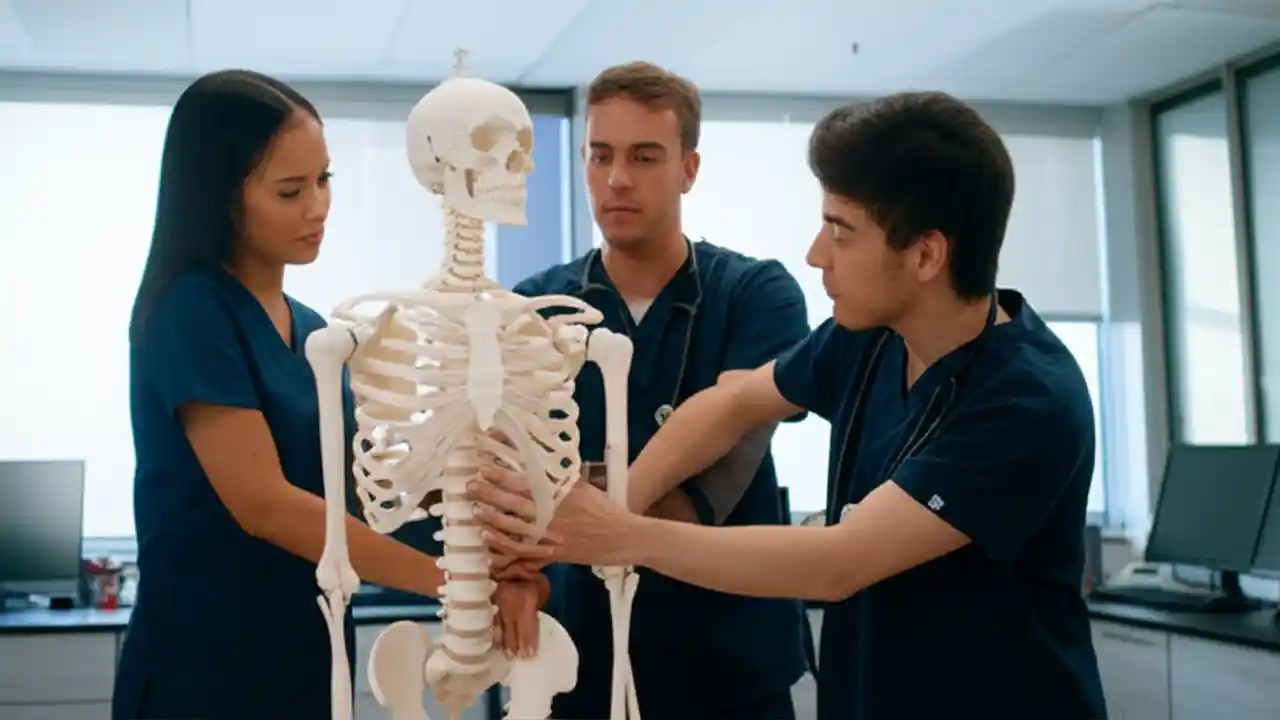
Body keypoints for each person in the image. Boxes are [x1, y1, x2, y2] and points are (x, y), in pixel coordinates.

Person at [473, 91, 1108, 719]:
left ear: (925, 254)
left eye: (841, 232)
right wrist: (622, 500)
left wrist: (622, 534)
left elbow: (838, 562)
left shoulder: (1027, 403)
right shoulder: (867, 338)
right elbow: (730, 404)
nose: (815, 254)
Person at [113, 69, 543, 720]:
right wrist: (454, 585)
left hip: (307, 654)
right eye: (290, 190)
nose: (317, 207)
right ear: (220, 197)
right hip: (206, 668)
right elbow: (266, 505)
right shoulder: (191, 314)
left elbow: (356, 491)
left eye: (324, 180)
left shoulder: (313, 330)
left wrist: (490, 542)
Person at [504, 61, 813, 719]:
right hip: (580, 656)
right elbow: (513, 470)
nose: (617, 179)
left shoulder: (755, 293)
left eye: (645, 156)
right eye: (600, 156)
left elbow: (735, 434)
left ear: (688, 169)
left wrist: (607, 516)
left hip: (729, 661)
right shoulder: (536, 306)